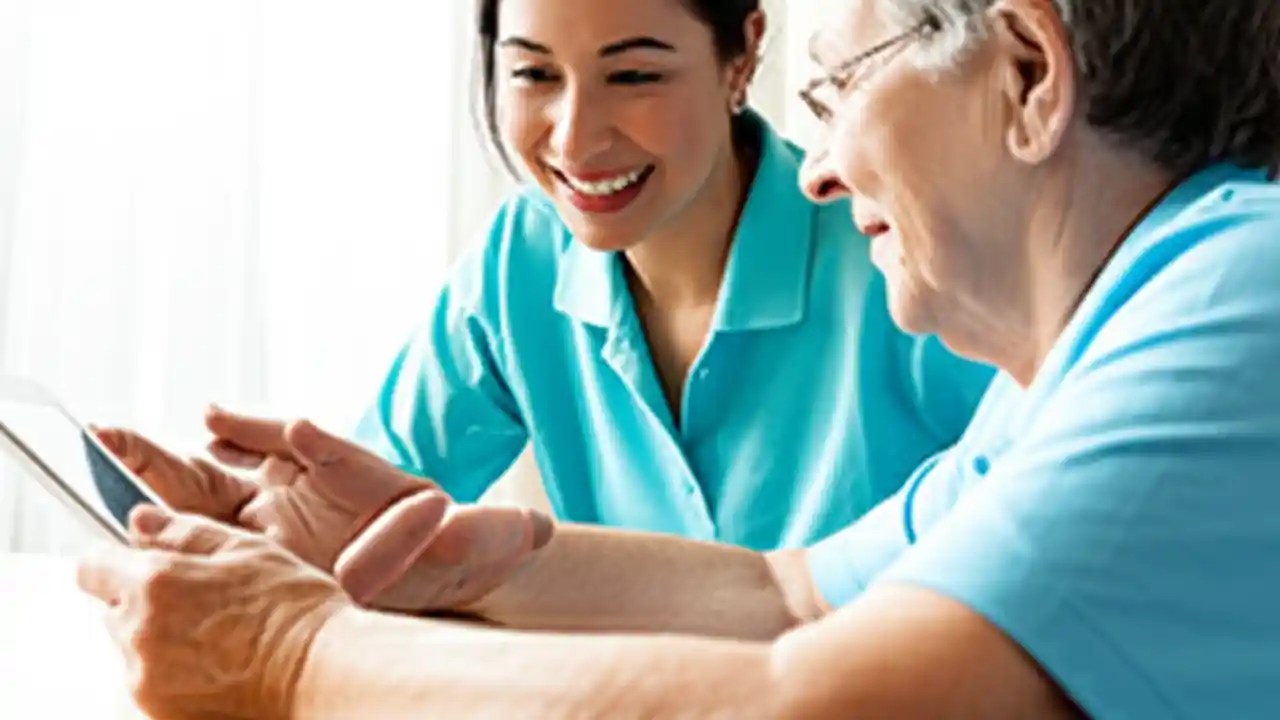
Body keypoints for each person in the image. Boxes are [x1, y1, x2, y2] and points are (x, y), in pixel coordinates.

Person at [78, 0, 1280, 717]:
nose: (818, 167)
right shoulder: (1106, 342)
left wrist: (296, 655)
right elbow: (788, 596)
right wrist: (468, 560)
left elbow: (814, 704)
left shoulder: (1238, 293)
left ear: (1025, 73)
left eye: (842, 84)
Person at [89, 0, 992, 605]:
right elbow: (375, 508)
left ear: (742, 52)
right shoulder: (523, 257)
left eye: (633, 76)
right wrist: (253, 521)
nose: (575, 137)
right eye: (533, 76)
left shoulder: (900, 261)